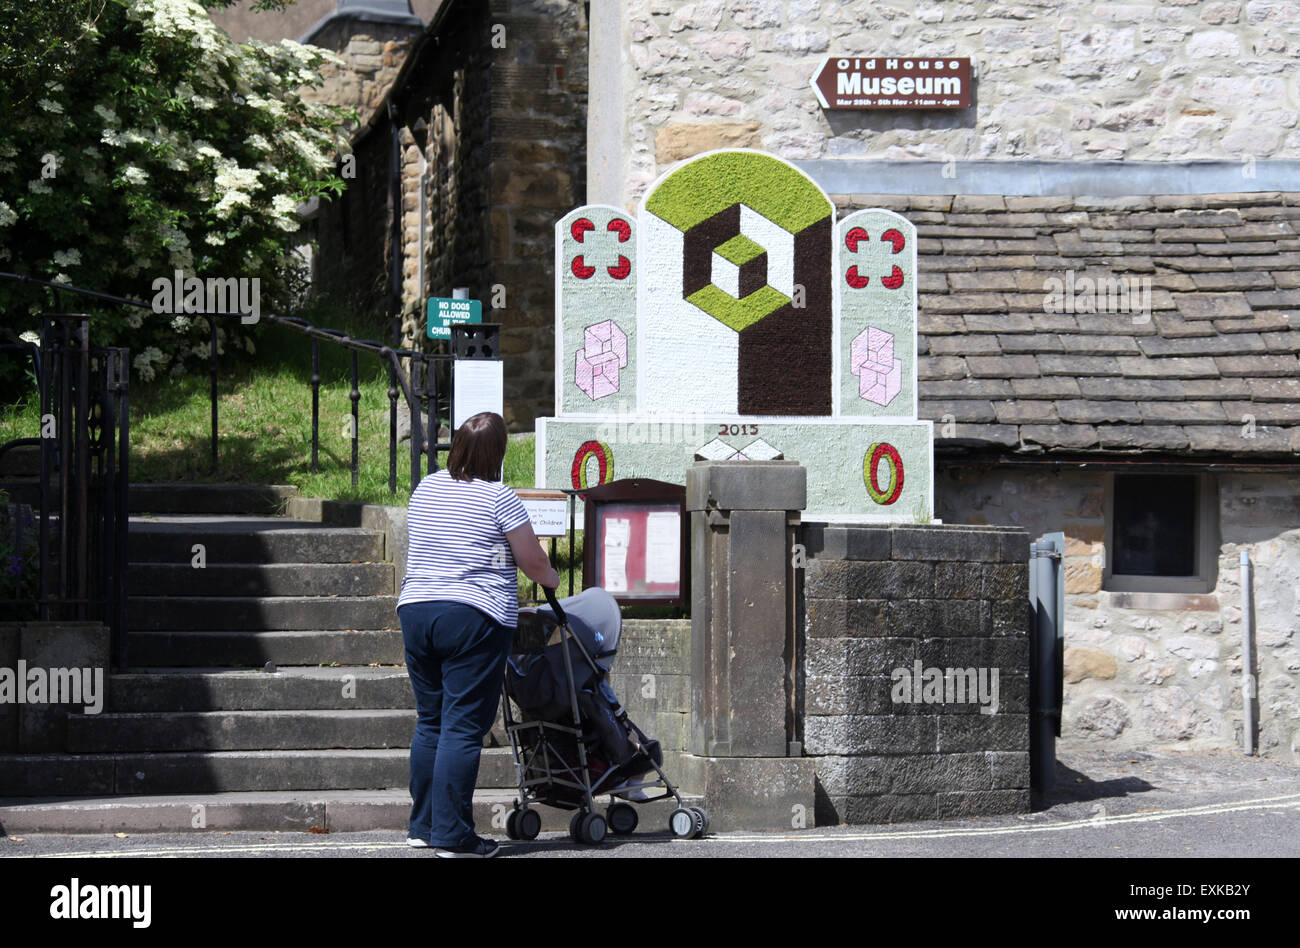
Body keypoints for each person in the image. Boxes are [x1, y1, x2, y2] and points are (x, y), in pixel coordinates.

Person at [397, 411, 559, 858]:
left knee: (431, 720)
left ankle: (424, 826)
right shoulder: (499, 497)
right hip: (472, 616)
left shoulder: (426, 487)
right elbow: (533, 562)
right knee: (463, 727)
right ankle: (453, 836)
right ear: (498, 453)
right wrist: (552, 579)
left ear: (458, 447)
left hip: (416, 610)